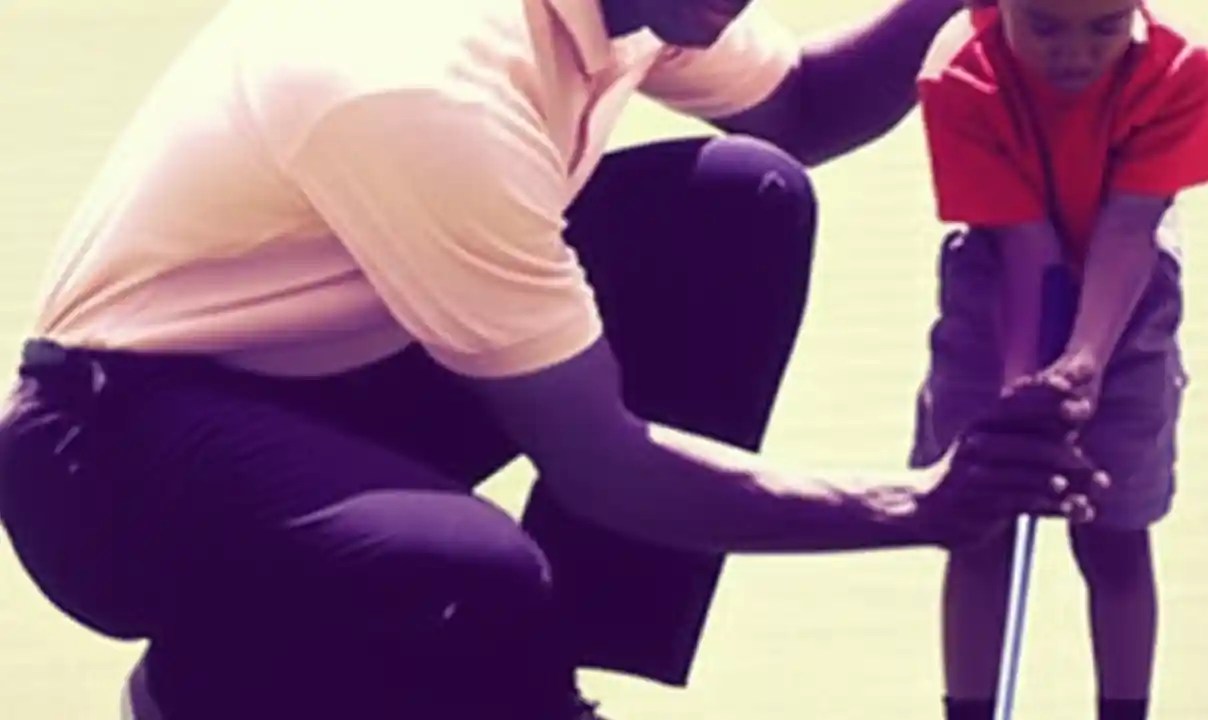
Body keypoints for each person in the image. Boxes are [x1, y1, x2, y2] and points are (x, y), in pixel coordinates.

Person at [0, 0, 1105, 718]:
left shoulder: (643, 6)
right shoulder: (427, 82)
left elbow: (802, 109)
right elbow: (603, 467)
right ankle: (215, 683)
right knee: (463, 574)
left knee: (738, 202)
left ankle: (538, 678)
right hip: (113, 461)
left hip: (321, 376)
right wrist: (915, 505)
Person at [909, 0, 1208, 718]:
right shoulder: (958, 74)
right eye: (1046, 27)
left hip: (1132, 291)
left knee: (1113, 529)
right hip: (991, 282)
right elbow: (1025, 247)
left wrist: (1084, 363)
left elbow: (1129, 226)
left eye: (1104, 27)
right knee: (979, 518)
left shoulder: (1182, 73)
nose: (1075, 54)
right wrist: (1021, 392)